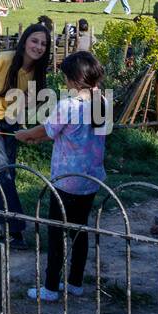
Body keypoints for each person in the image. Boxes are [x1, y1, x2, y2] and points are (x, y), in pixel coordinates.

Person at [14, 51, 106, 300]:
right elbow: (61, 132)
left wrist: (24, 135)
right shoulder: (102, 103)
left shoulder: (68, 105)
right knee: (79, 230)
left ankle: (51, 288)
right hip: (91, 179)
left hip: (66, 181)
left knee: (56, 232)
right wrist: (39, 137)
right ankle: (75, 283)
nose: (64, 82)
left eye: (66, 77)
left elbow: (47, 129)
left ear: (75, 79)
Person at [0, 23, 52, 244]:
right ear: (25, 40)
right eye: (35, 40)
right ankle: (16, 229)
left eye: (43, 43)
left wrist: (30, 130)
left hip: (10, 120)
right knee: (2, 168)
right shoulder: (5, 58)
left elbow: (25, 102)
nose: (38, 46)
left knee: (7, 173)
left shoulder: (36, 71)